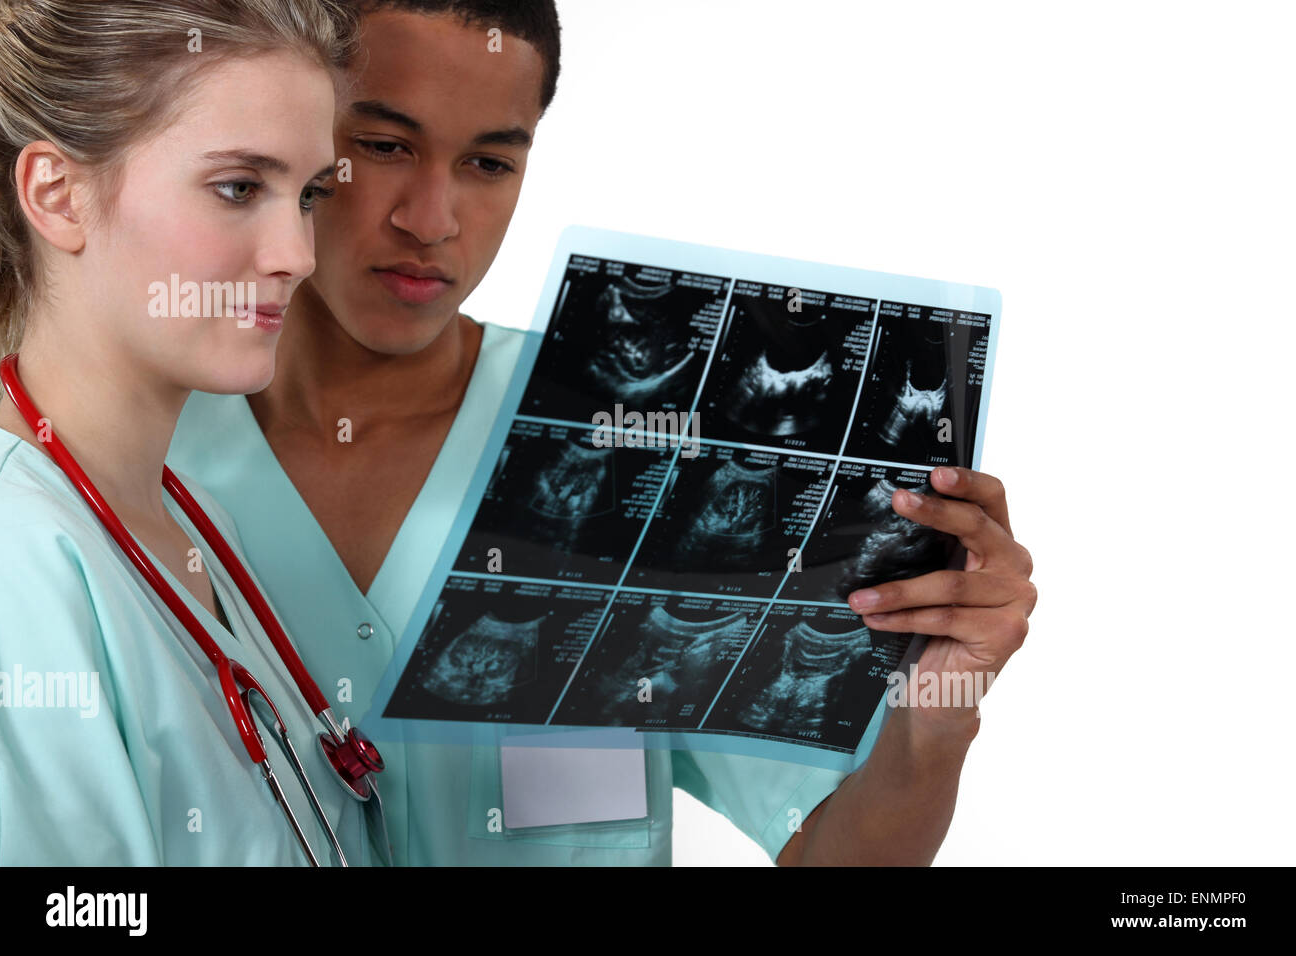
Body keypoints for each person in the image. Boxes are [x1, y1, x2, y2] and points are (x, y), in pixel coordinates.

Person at [169, 0, 1037, 866]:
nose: (431, 221)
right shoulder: (144, 455)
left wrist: (936, 719)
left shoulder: (658, 447)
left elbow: (830, 856)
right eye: (385, 145)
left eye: (489, 162)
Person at [0, 0, 385, 866]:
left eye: (309, 195)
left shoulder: (199, 522)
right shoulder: (13, 562)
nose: (298, 254)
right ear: (57, 196)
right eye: (239, 188)